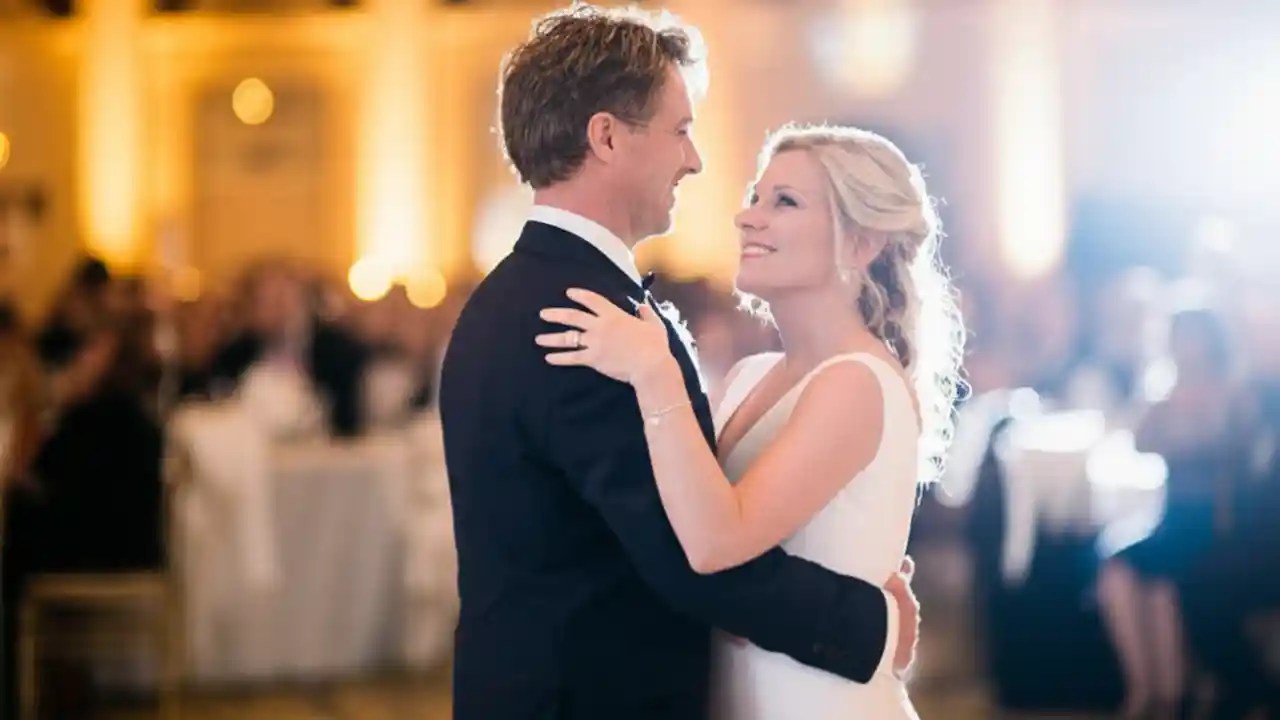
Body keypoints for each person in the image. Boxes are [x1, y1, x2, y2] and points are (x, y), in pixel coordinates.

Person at [439, 6, 921, 719]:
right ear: (606, 137)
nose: (694, 160)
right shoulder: (579, 317)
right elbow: (685, 556)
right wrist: (871, 621)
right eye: (680, 129)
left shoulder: (519, 296)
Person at [536, 122, 963, 717]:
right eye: (754, 198)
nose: (747, 218)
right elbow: (676, 525)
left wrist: (655, 372)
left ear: (862, 244)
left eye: (784, 202)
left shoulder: (858, 383)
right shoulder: (748, 376)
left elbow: (718, 542)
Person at [1096, 307, 1241, 719]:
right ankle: (1145, 690)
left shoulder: (1228, 390)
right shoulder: (1167, 389)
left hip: (1212, 520)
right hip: (1172, 518)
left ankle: (1173, 693)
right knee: (1117, 568)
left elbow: (1223, 450)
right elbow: (1139, 439)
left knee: (1161, 586)